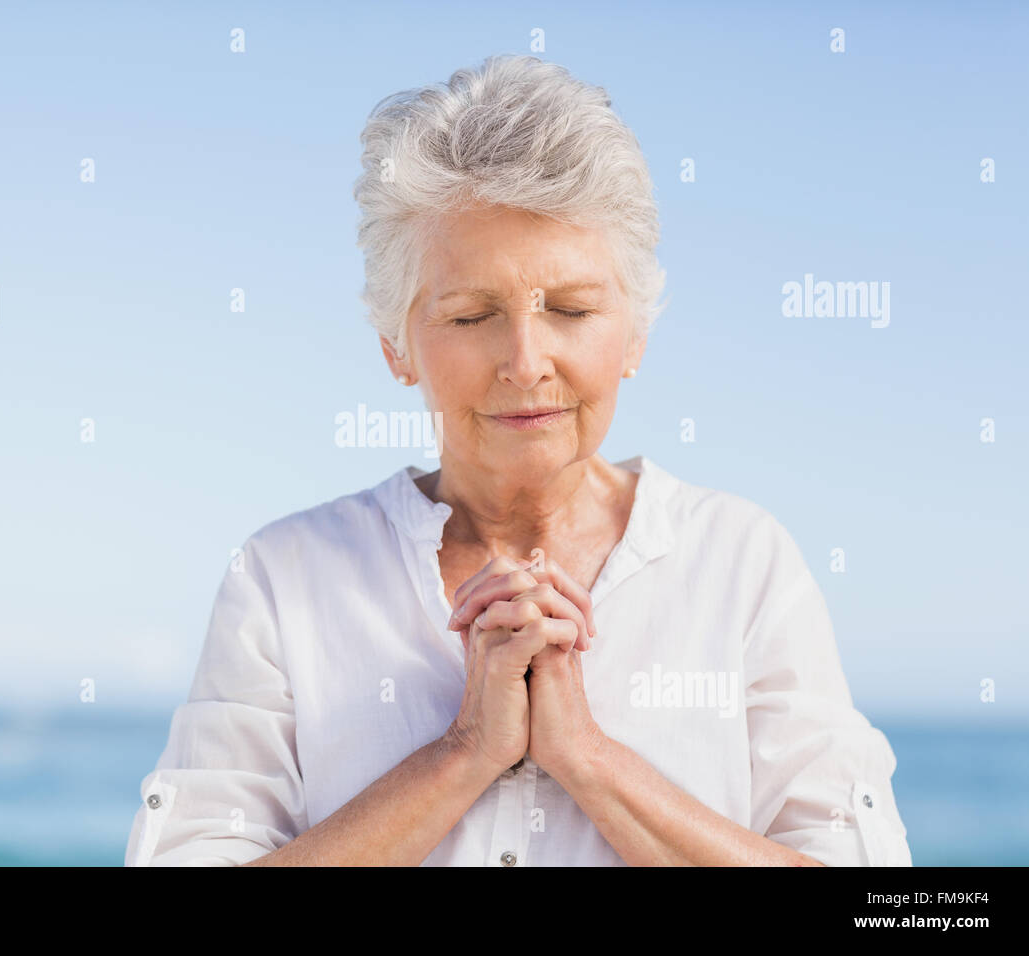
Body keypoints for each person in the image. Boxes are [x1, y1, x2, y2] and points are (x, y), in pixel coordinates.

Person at [125, 54, 912, 867]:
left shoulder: (743, 565)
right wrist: (463, 753)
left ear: (634, 333)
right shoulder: (284, 579)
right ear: (397, 346)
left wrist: (589, 759)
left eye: (571, 309)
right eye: (471, 316)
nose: (526, 361)